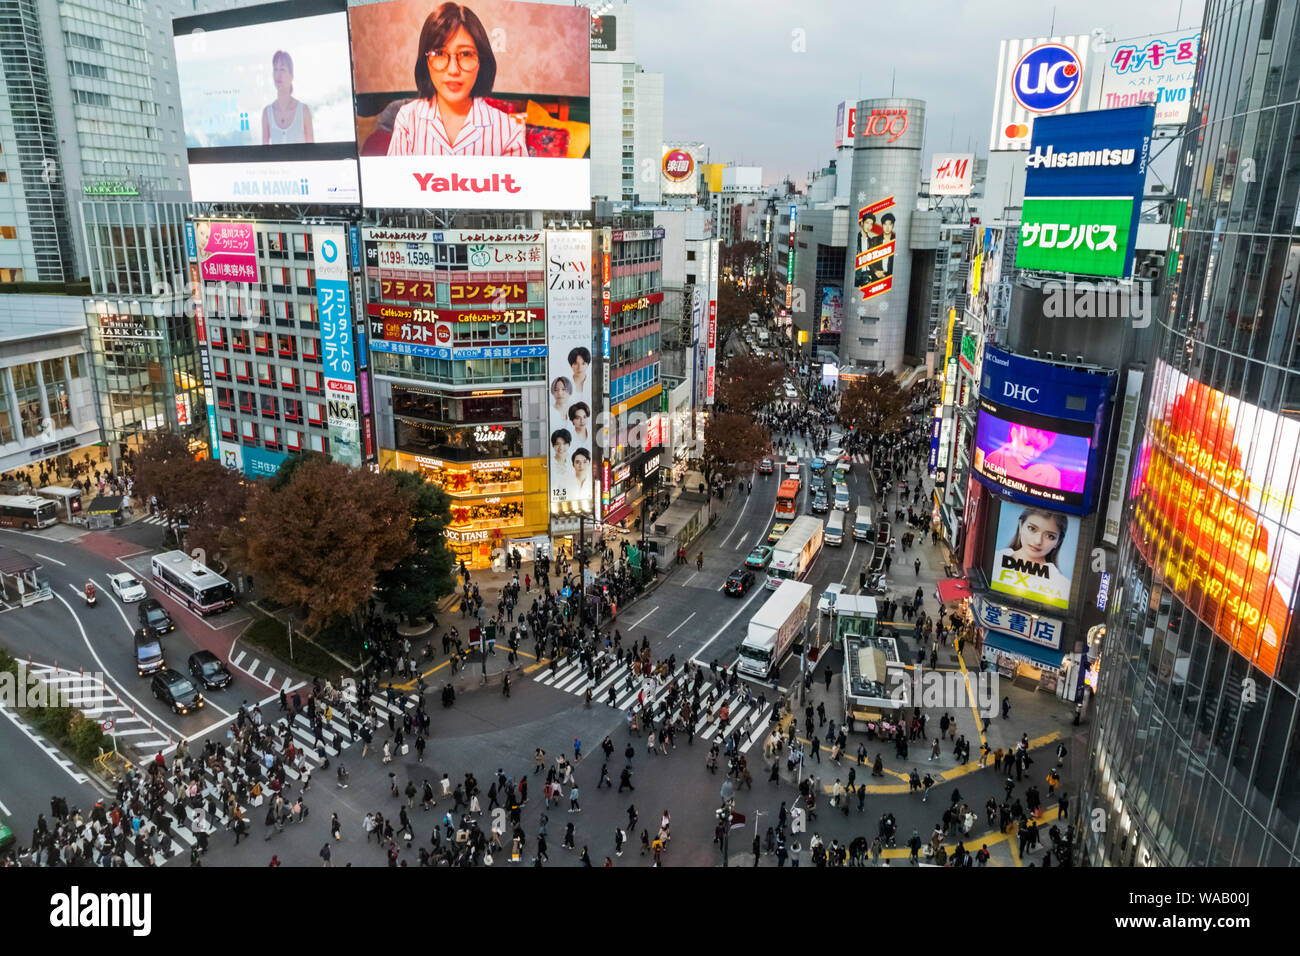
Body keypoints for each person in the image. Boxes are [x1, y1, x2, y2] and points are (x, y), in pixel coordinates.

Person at [386, 3, 525, 158]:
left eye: (466, 54)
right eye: (439, 53)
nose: (453, 70)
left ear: (481, 62)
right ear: (425, 61)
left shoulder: (507, 130)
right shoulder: (407, 119)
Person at [261, 50, 314, 145]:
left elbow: (312, 153)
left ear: (291, 76)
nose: (278, 74)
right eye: (275, 69)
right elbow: (264, 154)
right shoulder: (267, 113)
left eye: (282, 69)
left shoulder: (303, 111)